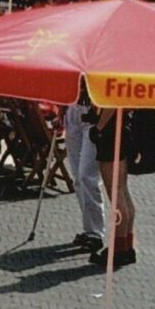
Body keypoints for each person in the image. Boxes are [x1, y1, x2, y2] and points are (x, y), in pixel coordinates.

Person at [90, 104, 155, 268]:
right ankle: (126, 246)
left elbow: (112, 102)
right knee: (121, 191)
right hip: (122, 130)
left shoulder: (112, 80)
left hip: (110, 132)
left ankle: (118, 250)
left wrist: (98, 127)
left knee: (115, 193)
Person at [64, 98, 106, 256]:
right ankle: (89, 229)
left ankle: (96, 232)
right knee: (77, 177)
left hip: (92, 112)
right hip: (73, 108)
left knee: (87, 176)